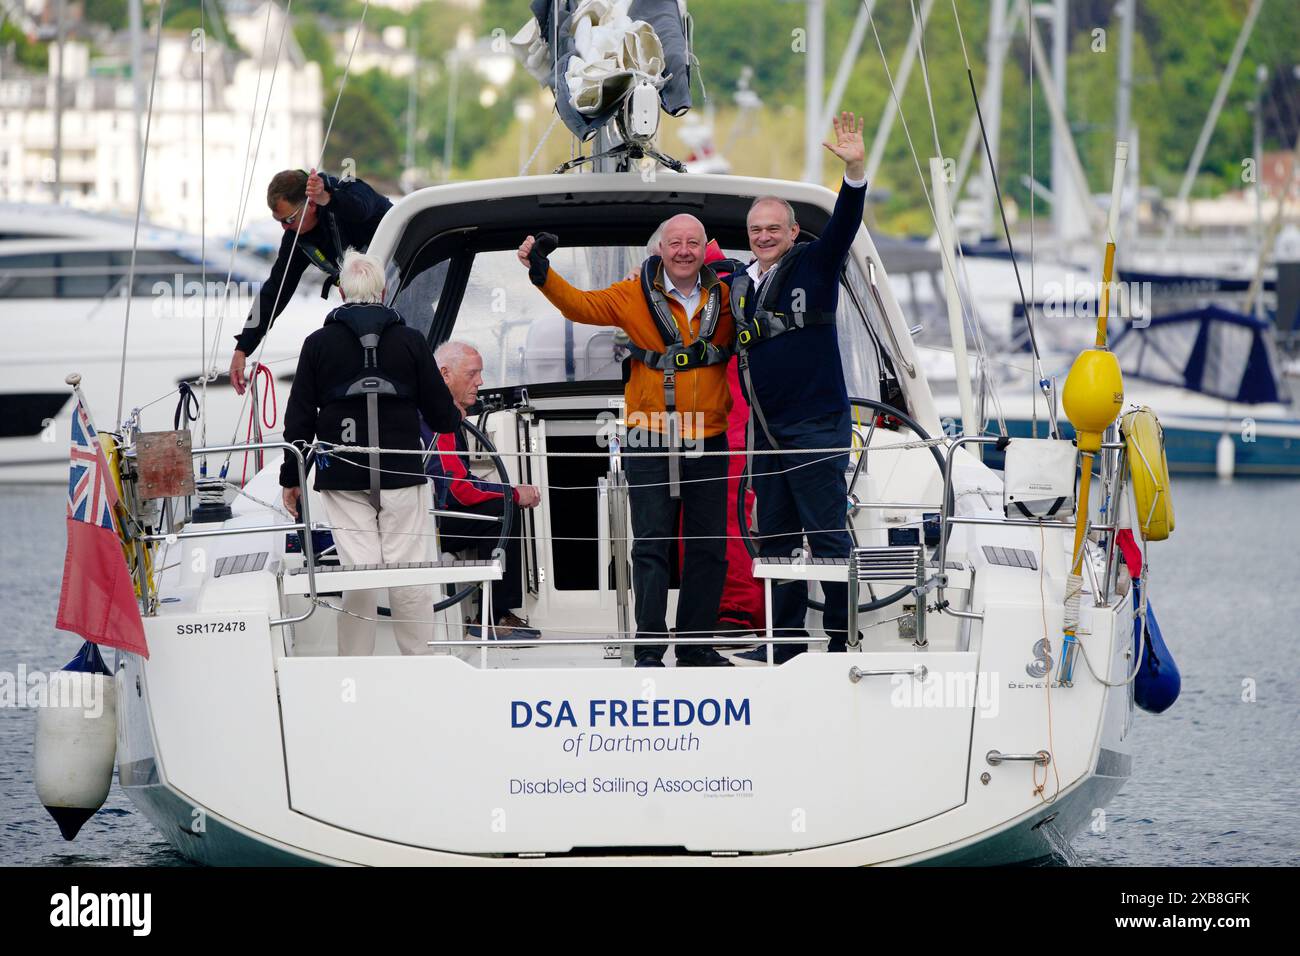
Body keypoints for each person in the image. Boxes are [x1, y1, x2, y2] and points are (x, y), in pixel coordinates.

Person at [517, 216, 735, 666]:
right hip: (650, 433)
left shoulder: (728, 294)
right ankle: (650, 650)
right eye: (674, 243)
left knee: (709, 546)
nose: (683, 251)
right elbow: (579, 305)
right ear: (660, 247)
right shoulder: (632, 291)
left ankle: (696, 647)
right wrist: (542, 271)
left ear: (705, 248)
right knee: (651, 545)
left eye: (693, 243)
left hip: (709, 436)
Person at [731, 112, 868, 665]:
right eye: (756, 230)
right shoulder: (741, 281)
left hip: (815, 426)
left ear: (791, 233)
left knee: (829, 537)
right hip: (766, 433)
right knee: (777, 543)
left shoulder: (816, 261)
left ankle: (840, 642)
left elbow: (845, 223)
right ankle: (783, 645)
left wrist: (854, 171)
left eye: (774, 229)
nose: (764, 237)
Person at [280, 249, 460, 656]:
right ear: (383, 291)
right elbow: (443, 417)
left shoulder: (318, 345)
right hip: (401, 474)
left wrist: (291, 479)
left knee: (358, 572)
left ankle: (355, 667)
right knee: (408, 572)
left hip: (341, 477)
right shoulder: (411, 341)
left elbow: (299, 420)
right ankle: (419, 661)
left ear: (342, 291)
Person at [231, 168, 392, 394]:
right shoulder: (296, 238)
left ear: (311, 204)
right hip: (373, 304)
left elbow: (362, 209)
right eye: (279, 222)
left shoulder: (348, 190)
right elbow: (275, 291)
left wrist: (328, 197)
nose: (285, 228)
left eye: (288, 219)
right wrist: (243, 348)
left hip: (414, 271)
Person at [431, 341, 541, 640]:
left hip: (425, 513)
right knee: (502, 509)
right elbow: (458, 491)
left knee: (499, 504)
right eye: (472, 374)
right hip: (429, 521)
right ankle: (493, 616)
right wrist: (514, 493)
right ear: (445, 375)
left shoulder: (441, 413)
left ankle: (495, 612)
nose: (480, 382)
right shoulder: (438, 418)